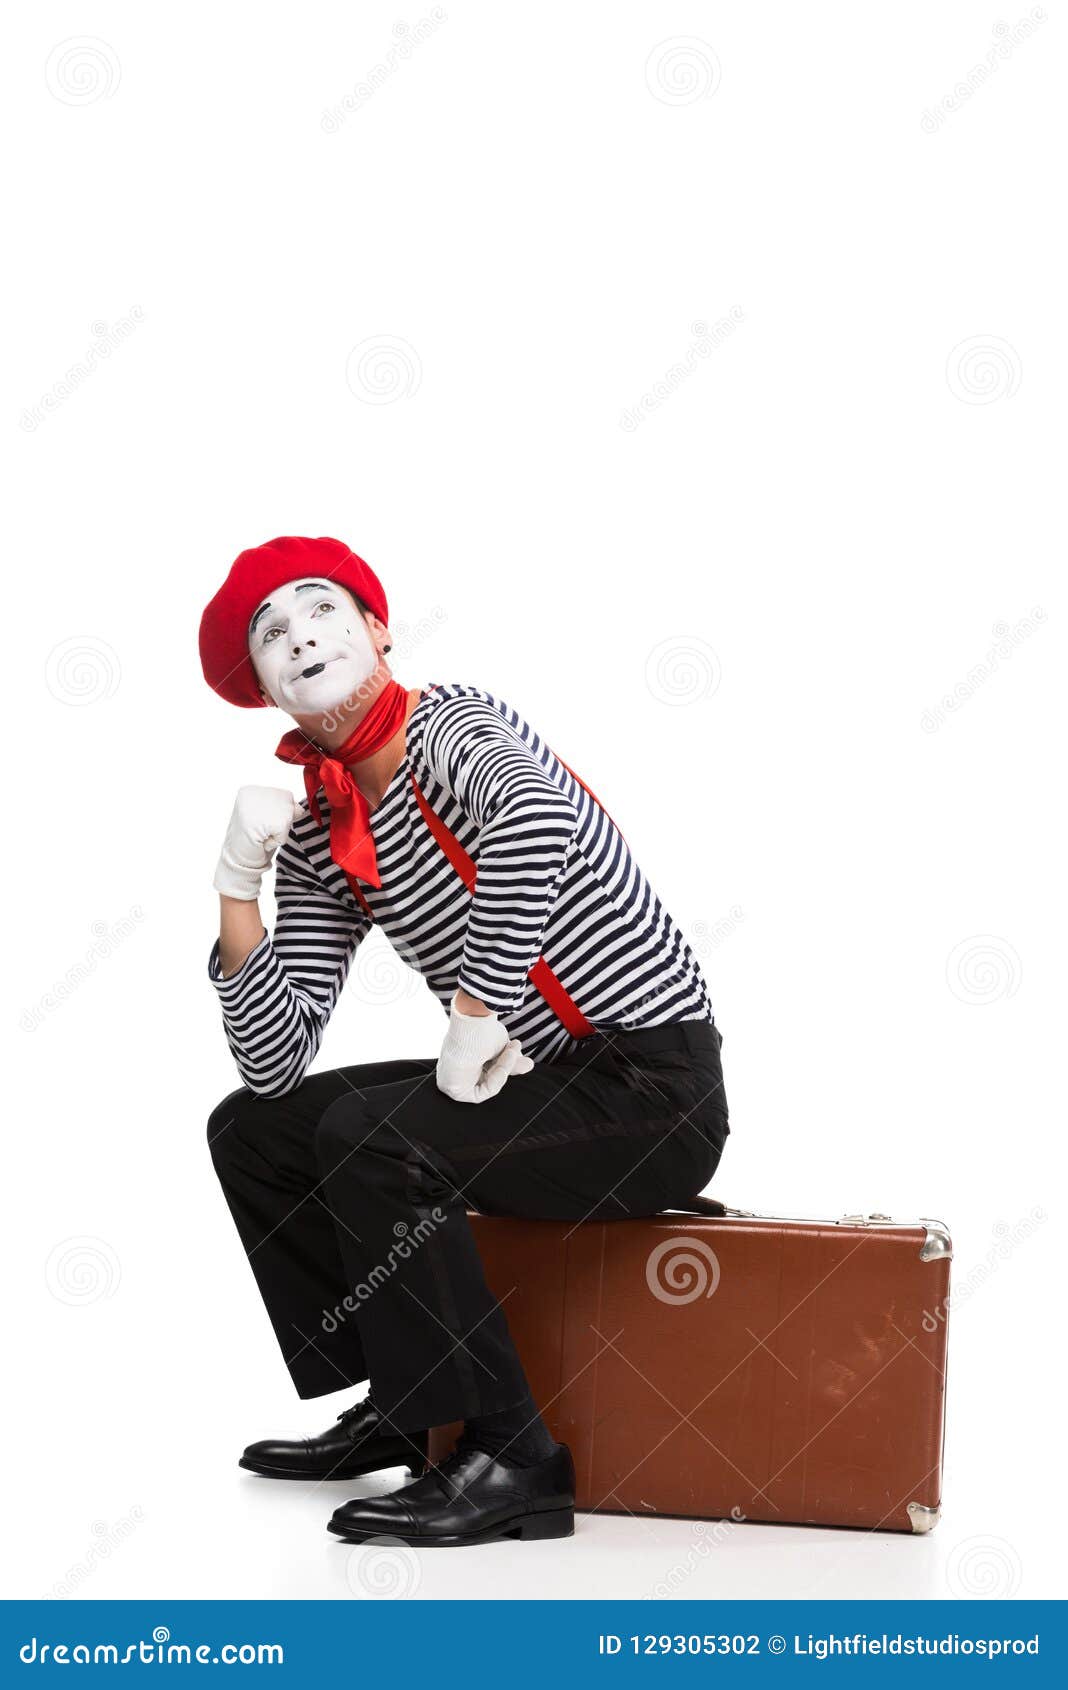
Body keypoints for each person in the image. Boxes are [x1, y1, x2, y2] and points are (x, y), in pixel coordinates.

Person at [199, 534, 730, 1548]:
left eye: (321, 611)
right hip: (529, 1083)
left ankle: (513, 1456)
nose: (301, 637)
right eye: (273, 633)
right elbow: (273, 1058)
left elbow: (532, 817)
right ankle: (408, 1406)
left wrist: (476, 1011)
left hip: (650, 1089)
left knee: (372, 1138)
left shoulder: (456, 724)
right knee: (258, 1129)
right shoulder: (325, 827)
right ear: (266, 687)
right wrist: (237, 887)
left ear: (378, 629)